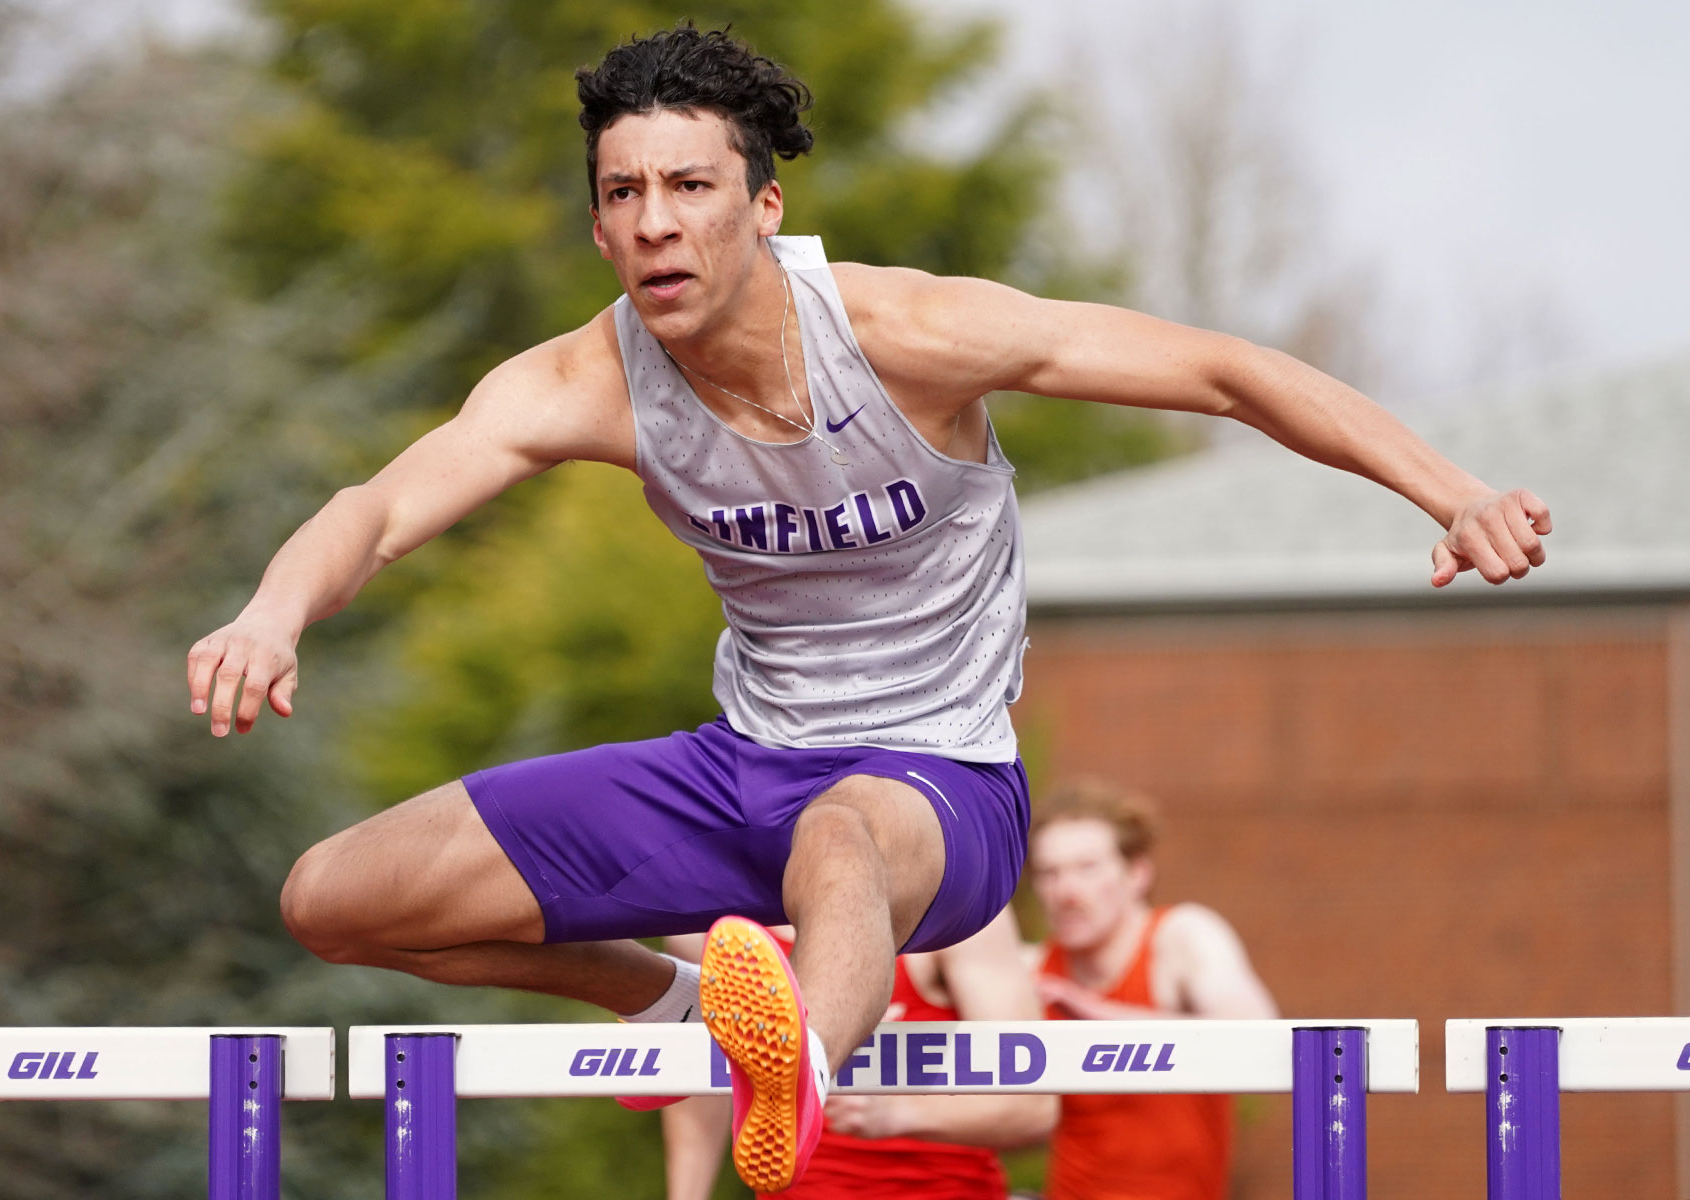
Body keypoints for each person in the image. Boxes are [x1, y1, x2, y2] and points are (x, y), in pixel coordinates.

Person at [182, 25, 1550, 1195]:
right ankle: (677, 1003)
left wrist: (1453, 493)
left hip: (937, 788)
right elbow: (381, 502)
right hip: (736, 768)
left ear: (760, 206)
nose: (656, 220)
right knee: (338, 896)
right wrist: (274, 610)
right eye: (624, 194)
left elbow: (1224, 372)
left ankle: (798, 1089)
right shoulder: (580, 385)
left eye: (690, 186)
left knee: (838, 837)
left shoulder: (907, 335)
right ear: (598, 226)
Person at [661, 913, 1056, 1200]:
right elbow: (699, 1090)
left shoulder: (957, 917)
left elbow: (1036, 1106)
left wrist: (899, 1116)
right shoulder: (717, 928)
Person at [1027, 779, 1277, 1200]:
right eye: (1050, 873)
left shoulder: (1181, 937)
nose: (1066, 892)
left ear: (1138, 873)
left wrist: (1095, 1012)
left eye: (1087, 868)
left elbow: (1261, 1035)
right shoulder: (1034, 969)